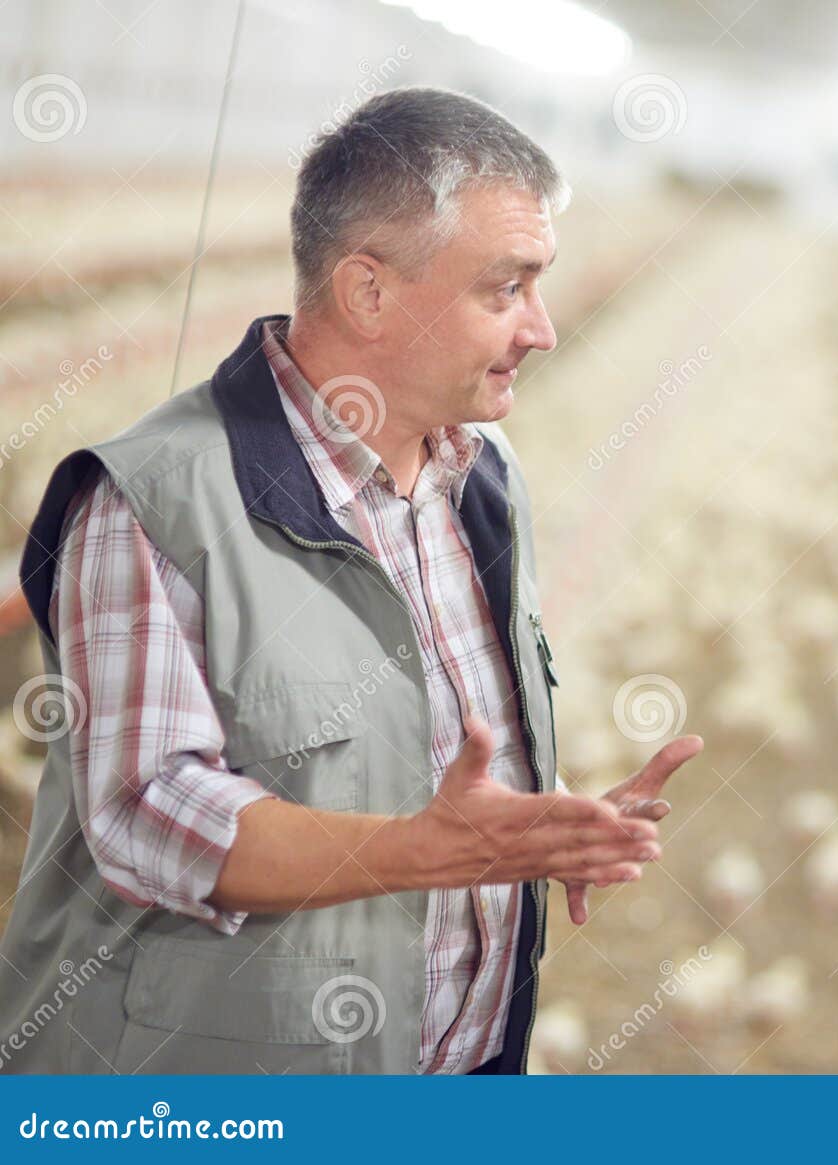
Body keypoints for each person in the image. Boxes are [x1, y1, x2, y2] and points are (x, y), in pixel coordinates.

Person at [0, 86, 700, 1075]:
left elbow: (402, 757)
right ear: (369, 292)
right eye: (505, 288)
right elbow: (147, 817)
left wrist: (544, 823)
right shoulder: (154, 501)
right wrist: (431, 850)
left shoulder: (481, 480)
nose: (541, 328)